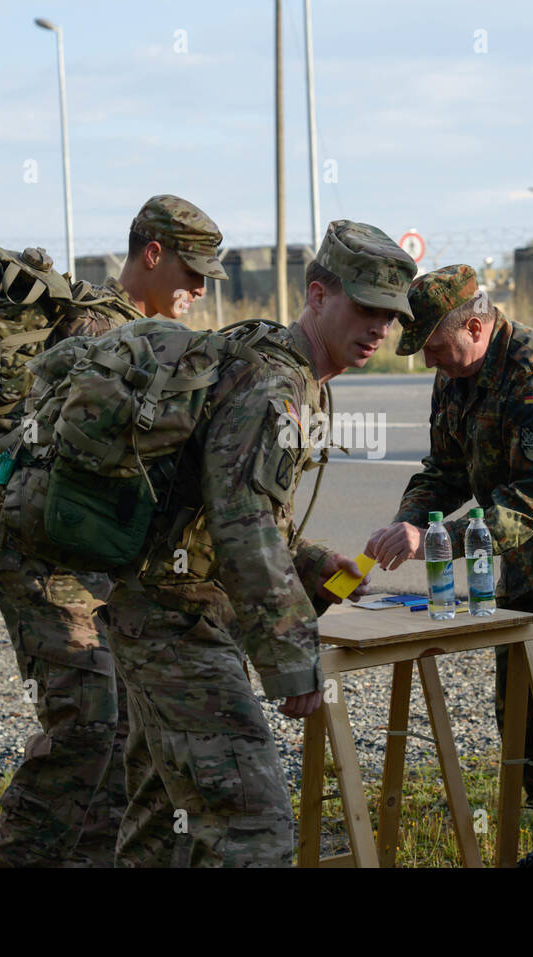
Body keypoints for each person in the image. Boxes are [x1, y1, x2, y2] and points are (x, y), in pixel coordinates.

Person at [106, 219, 419, 867]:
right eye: (365, 307)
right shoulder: (279, 386)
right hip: (176, 614)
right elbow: (243, 518)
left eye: (390, 316)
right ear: (319, 295)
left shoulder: (282, 366)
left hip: (160, 600)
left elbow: (230, 500)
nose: (379, 328)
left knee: (164, 816)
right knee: (253, 826)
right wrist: (290, 656)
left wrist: (310, 562)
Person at [0, 195, 228, 867]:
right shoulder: (102, 333)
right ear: (152, 254)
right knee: (89, 723)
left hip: (90, 555)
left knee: (120, 725)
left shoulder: (143, 338)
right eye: (191, 270)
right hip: (42, 557)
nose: (200, 288)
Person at [365, 264, 533, 868]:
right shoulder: (456, 376)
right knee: (523, 711)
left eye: (436, 346)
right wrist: (408, 523)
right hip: (515, 565)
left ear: (478, 324)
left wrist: (442, 540)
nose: (431, 360)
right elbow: (444, 470)